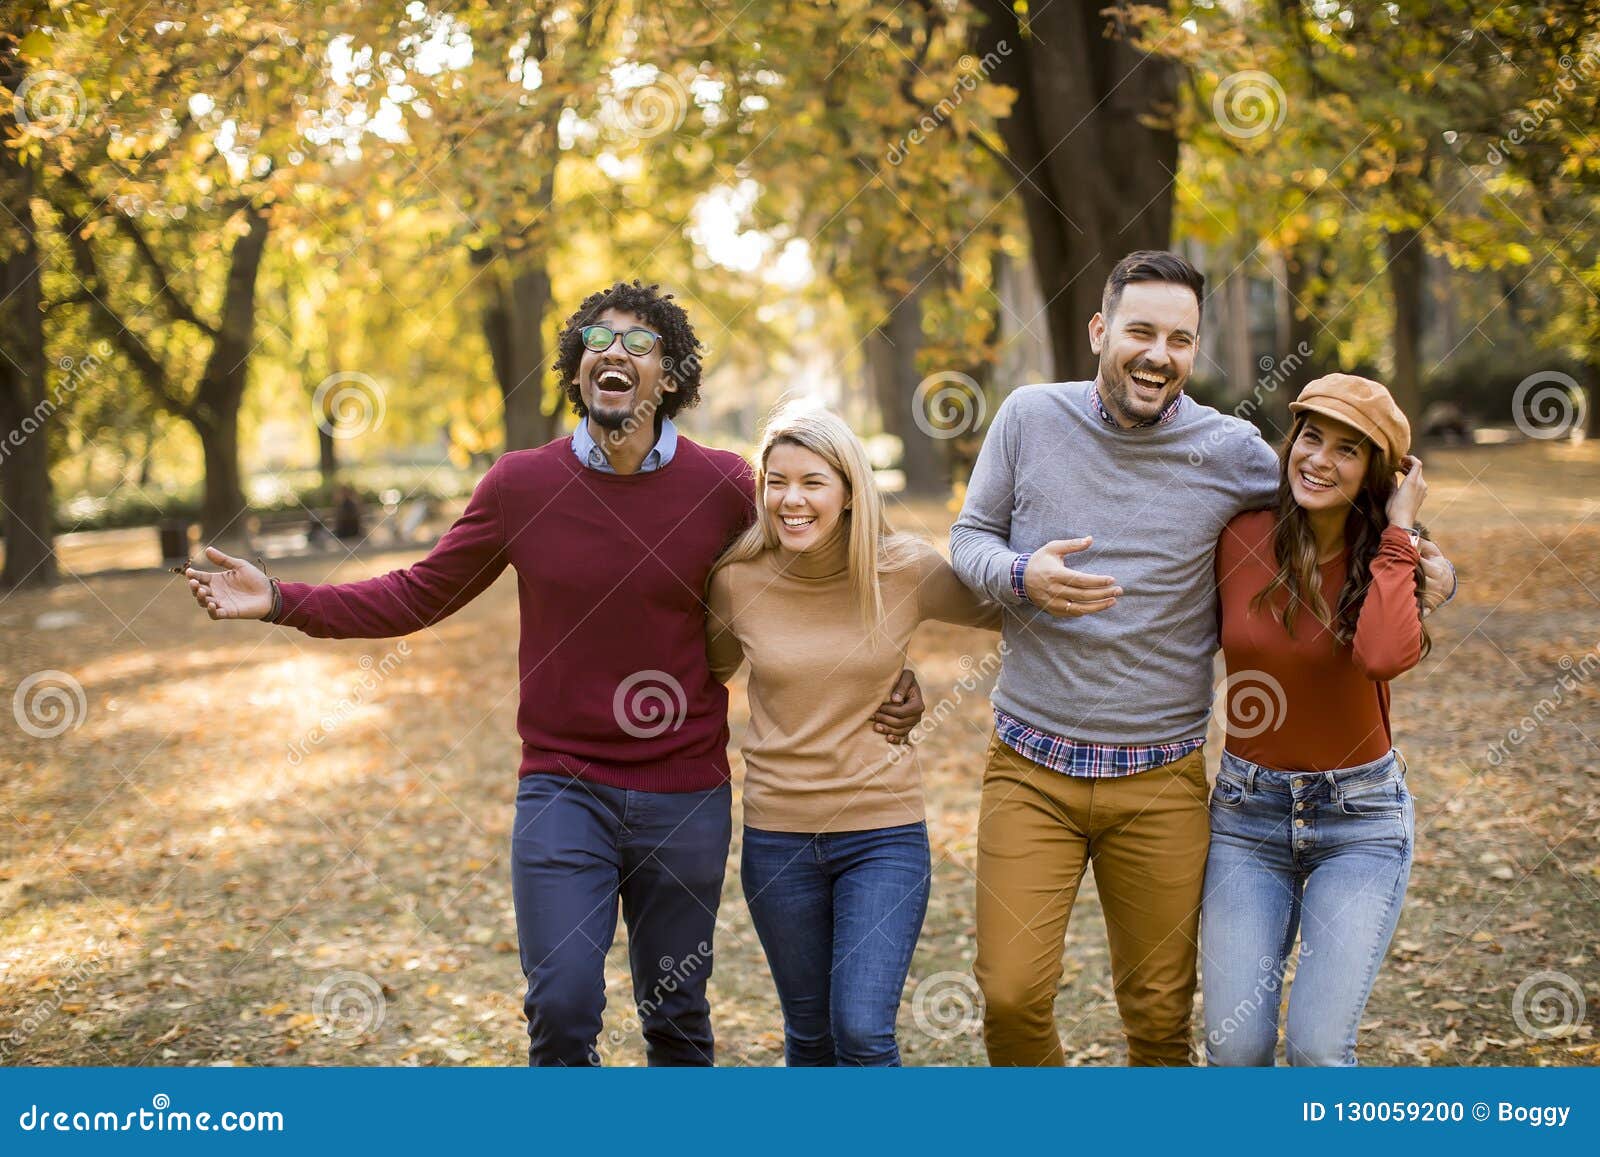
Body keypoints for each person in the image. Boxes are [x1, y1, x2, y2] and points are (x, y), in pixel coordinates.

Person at [181, 281, 926, 1066]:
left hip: (686, 795)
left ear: (669, 378)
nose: (615, 353)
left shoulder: (725, 486)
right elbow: (417, 591)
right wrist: (278, 598)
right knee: (563, 1007)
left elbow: (820, 572)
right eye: (597, 341)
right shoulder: (519, 486)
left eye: (640, 344)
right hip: (564, 787)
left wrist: (891, 671)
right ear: (577, 371)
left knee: (676, 1013)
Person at [948, 250, 1457, 1066]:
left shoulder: (1234, 451)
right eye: (1140, 330)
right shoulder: (1028, 418)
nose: (1158, 354)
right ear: (1098, 330)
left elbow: (1339, 503)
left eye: (1179, 339)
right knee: (1010, 996)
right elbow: (967, 537)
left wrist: (1434, 564)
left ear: (1194, 351)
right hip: (1031, 763)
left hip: (1162, 780)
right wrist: (1020, 574)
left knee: (1159, 1016)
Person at [706, 405, 1001, 1066]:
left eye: (812, 481)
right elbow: (705, 673)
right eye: (775, 482)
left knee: (862, 1030)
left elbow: (1012, 610)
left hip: (882, 834)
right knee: (809, 1039)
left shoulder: (903, 569)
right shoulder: (737, 580)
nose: (791, 499)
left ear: (848, 490)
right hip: (777, 839)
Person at [1202, 374, 1428, 1066]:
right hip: (1249, 815)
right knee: (1235, 1051)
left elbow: (1386, 654)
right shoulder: (1240, 536)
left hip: (1358, 820)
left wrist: (1398, 530)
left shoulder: (1389, 554)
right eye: (1311, 436)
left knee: (1318, 1049)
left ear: (1377, 473)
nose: (1320, 459)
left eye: (1348, 450)